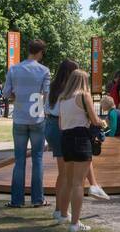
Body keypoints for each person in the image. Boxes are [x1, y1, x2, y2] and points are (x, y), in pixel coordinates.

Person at [42, 58, 108, 210]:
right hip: (64, 127)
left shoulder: (54, 87)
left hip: (52, 124)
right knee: (66, 173)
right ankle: (61, 210)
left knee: (69, 169)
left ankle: (92, 185)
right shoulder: (70, 92)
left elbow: (47, 106)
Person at [54, 68, 104, 232]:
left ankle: (63, 214)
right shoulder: (84, 96)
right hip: (81, 138)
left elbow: (61, 125)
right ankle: (75, 223)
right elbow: (95, 120)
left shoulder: (62, 98)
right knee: (78, 183)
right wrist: (102, 123)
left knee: (68, 181)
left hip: (66, 138)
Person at [2, 40, 50, 208]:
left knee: (19, 160)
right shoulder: (44, 71)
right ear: (40, 53)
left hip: (20, 118)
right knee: (37, 158)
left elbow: (6, 93)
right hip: (37, 118)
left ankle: (17, 200)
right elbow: (47, 94)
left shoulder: (14, 69)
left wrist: (17, 95)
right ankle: (38, 199)